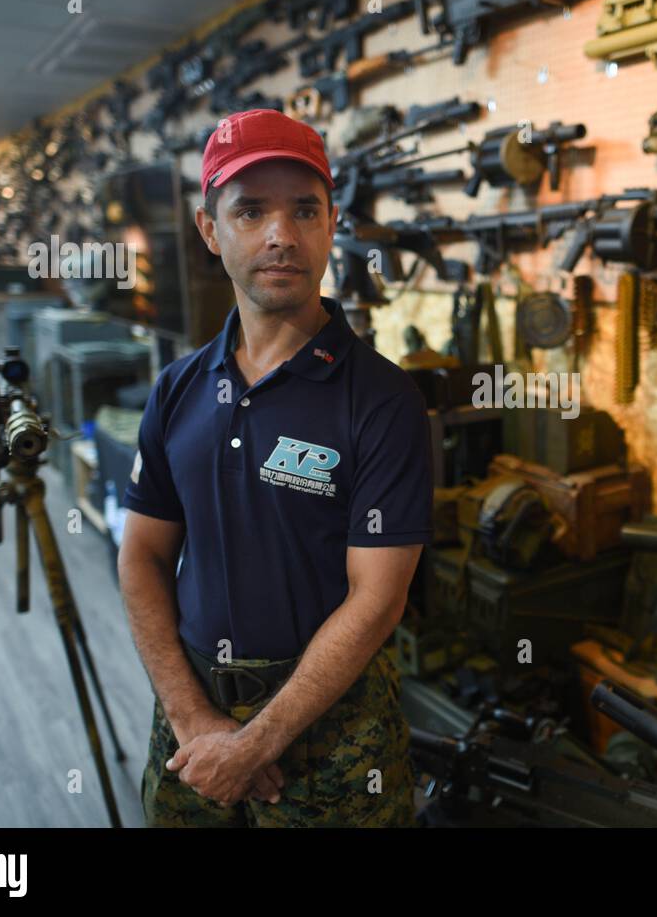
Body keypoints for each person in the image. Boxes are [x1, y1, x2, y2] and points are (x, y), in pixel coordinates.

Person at [117, 109, 433, 827]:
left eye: (303, 209)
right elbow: (141, 555)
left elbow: (376, 599)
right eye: (250, 209)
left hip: (335, 739)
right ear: (209, 230)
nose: (280, 235)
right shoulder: (177, 390)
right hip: (189, 726)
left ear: (330, 224)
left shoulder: (383, 402)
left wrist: (256, 740)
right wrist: (193, 716)